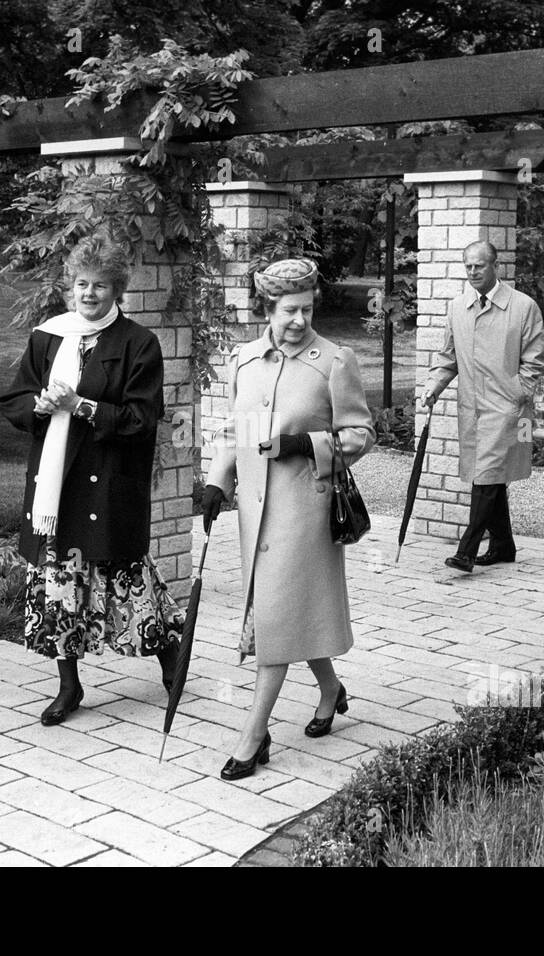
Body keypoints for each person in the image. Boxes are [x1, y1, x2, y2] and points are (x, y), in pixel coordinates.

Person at [0, 234, 182, 726]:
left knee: (128, 580)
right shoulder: (49, 337)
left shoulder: (139, 344)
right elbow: (14, 400)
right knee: (59, 586)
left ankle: (172, 666)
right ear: (69, 287)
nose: (89, 294)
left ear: (117, 290)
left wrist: (80, 407)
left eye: (100, 285)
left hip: (108, 485)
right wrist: (37, 408)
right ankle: (69, 685)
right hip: (58, 488)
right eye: (81, 284)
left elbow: (142, 419)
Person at [202, 258, 375, 781]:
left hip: (304, 512)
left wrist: (306, 444)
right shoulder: (245, 361)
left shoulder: (334, 362)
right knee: (291, 612)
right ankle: (330, 689)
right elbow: (234, 433)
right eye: (288, 310)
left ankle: (254, 736)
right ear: (267, 309)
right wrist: (216, 481)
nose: (299, 319)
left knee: (274, 616)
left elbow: (361, 434)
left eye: (306, 309)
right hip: (254, 514)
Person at [423, 239, 544, 573]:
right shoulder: (457, 307)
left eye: (479, 265)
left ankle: (467, 550)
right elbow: (448, 357)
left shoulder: (523, 307)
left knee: (486, 476)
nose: (473, 272)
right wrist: (433, 388)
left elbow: (534, 362)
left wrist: (517, 393)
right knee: (490, 476)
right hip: (472, 409)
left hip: (509, 410)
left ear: (496, 266)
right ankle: (503, 545)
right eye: (468, 266)